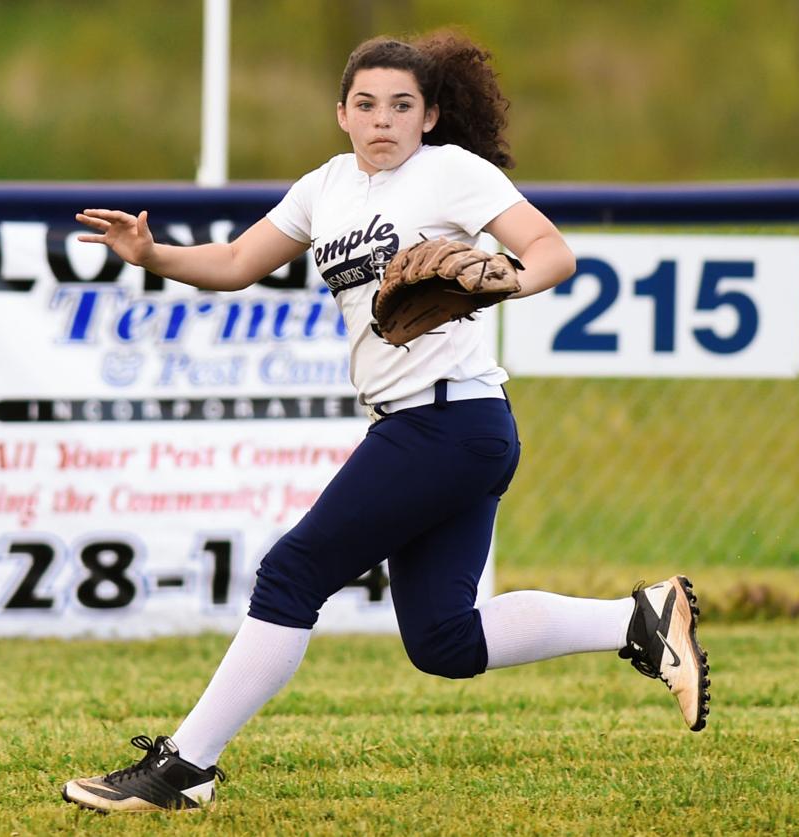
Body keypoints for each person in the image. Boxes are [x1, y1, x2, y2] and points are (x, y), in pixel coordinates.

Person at [61, 31, 710, 814]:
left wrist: (505, 279)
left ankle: (185, 768)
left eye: (402, 105)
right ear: (341, 113)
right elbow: (236, 263)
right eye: (366, 104)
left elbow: (552, 251)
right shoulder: (325, 188)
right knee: (444, 641)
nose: (383, 120)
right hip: (431, 428)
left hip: (452, 419)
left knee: (291, 573)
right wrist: (153, 254)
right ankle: (637, 618)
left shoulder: (450, 173)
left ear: (429, 115)